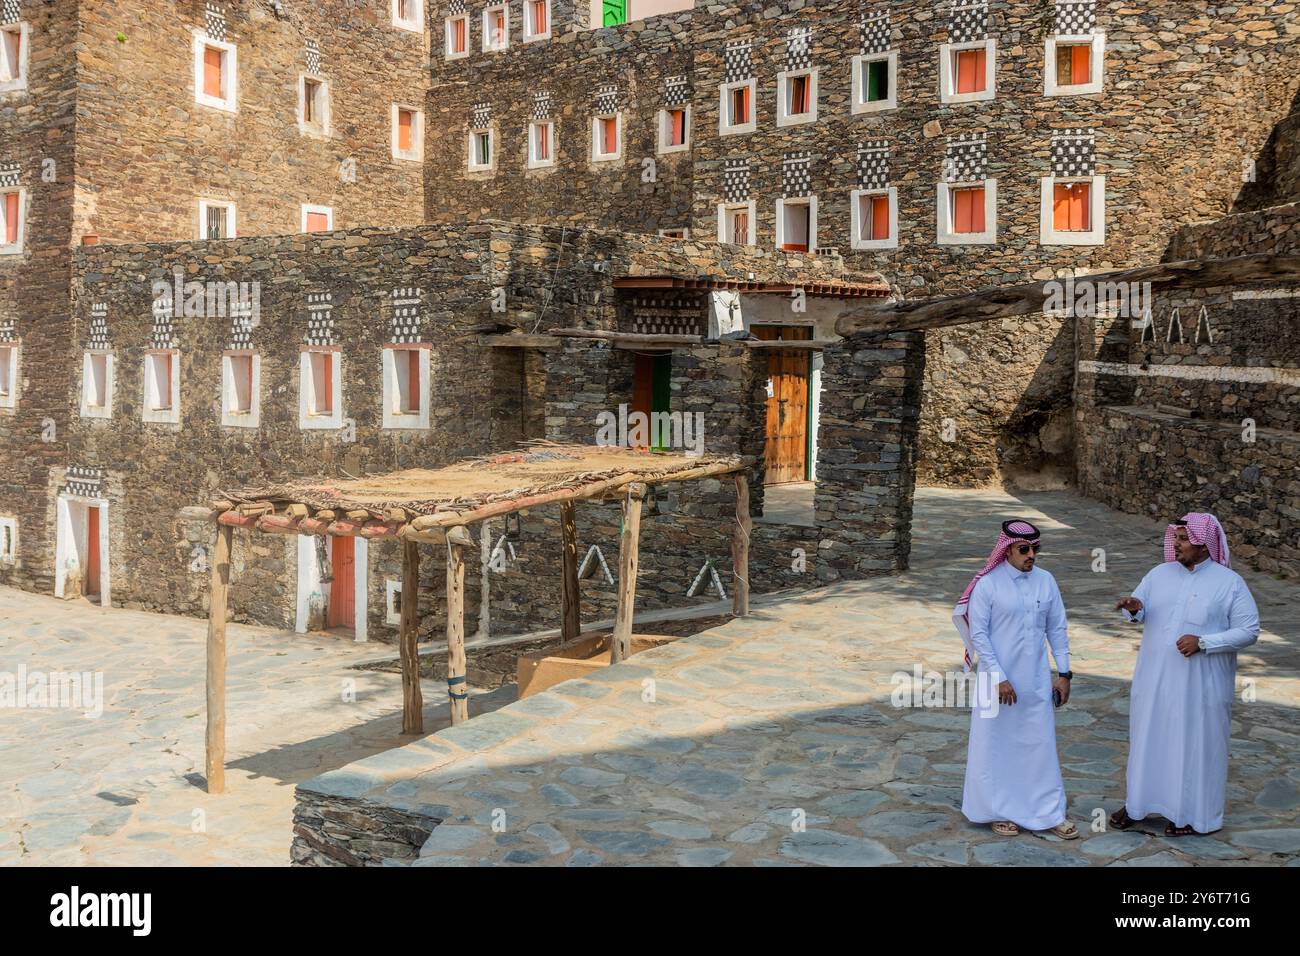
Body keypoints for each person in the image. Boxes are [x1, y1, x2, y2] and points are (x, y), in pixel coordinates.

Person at [1111, 513, 1260, 836]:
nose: (1175, 544)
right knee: (1148, 739)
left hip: (1201, 686)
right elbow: (1139, 610)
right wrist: (1135, 609)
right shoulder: (1159, 574)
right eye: (1175, 538)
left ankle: (1194, 816)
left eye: (1183, 538)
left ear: (1204, 543)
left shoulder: (1229, 583)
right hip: (1155, 680)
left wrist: (1205, 642)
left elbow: (1249, 631)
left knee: (1195, 745)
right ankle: (1138, 804)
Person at [953, 519, 1077, 839]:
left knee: (1039, 744)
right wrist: (998, 677)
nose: (1031, 555)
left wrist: (1064, 674)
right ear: (1006, 550)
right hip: (997, 683)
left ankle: (1048, 811)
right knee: (996, 745)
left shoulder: (1046, 581)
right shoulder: (989, 585)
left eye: (1036, 549)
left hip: (1035, 680)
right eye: (1024, 549)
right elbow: (979, 635)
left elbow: (1057, 629)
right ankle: (998, 810)